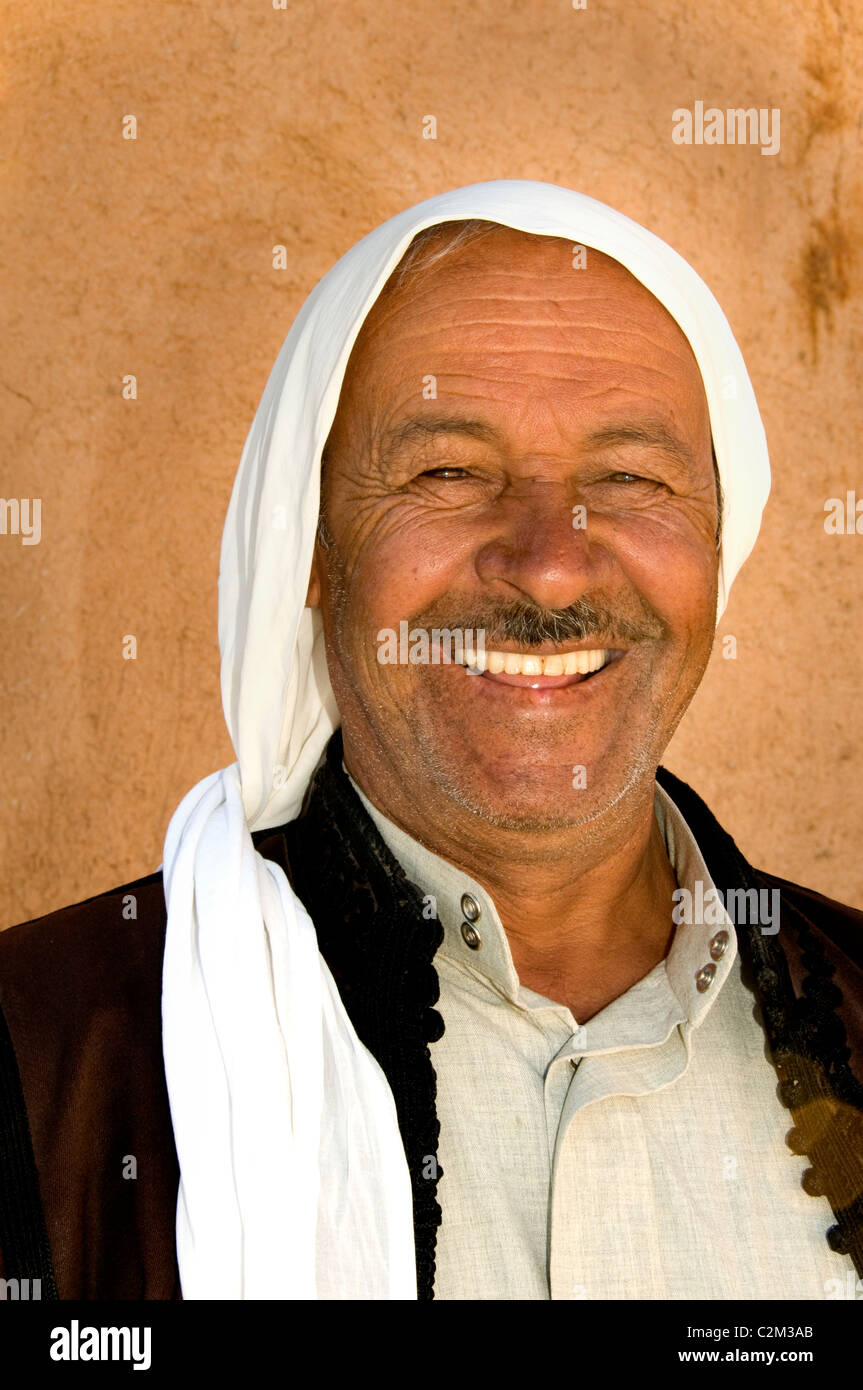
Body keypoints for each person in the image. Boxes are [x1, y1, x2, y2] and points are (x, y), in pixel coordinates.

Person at [1, 182, 861, 1302]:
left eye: (630, 477)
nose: (551, 563)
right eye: (447, 471)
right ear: (308, 548)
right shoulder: (40, 1059)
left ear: (717, 538)